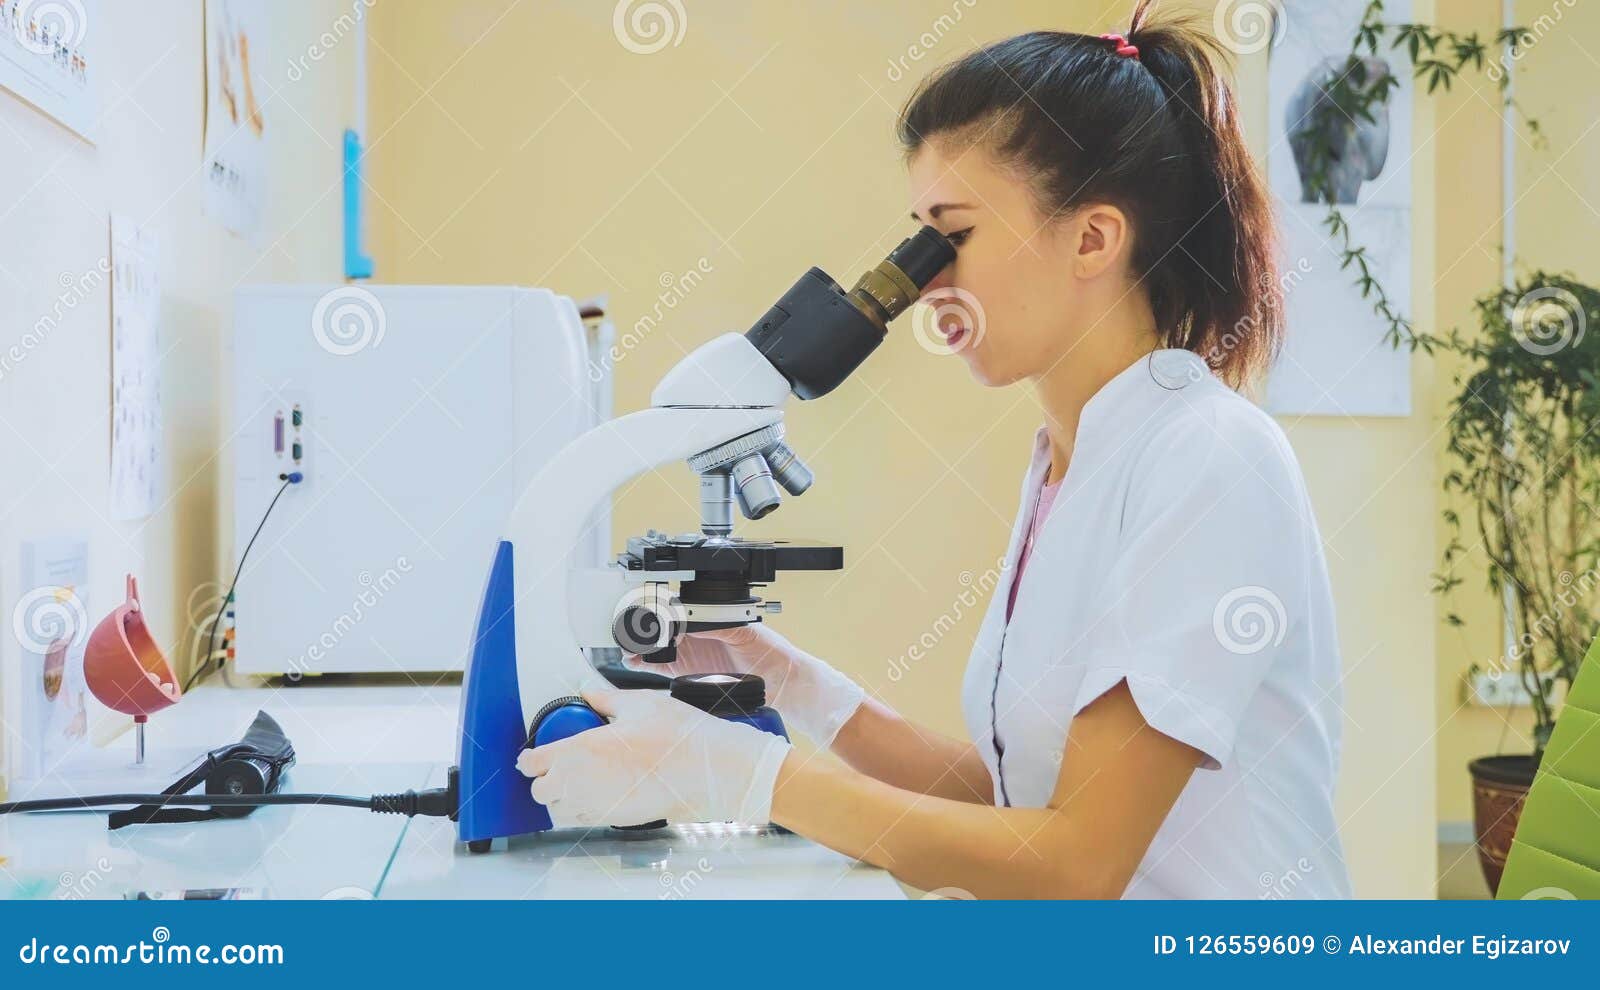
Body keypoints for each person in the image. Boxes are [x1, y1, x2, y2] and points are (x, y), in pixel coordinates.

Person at [518, 0, 1352, 899]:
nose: (923, 282)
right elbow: (1014, 801)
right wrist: (794, 683)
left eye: (949, 238)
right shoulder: (1066, 461)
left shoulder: (1211, 460)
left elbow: (1076, 863)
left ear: (1093, 239)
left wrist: (743, 776)